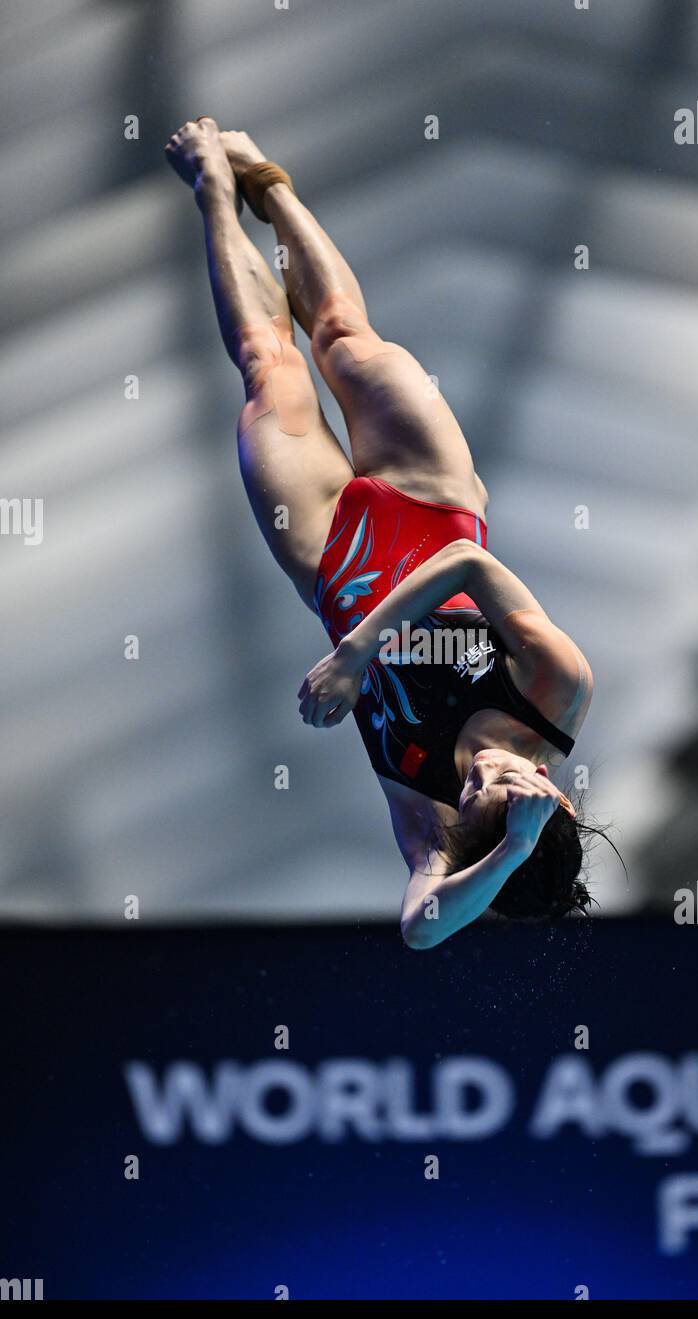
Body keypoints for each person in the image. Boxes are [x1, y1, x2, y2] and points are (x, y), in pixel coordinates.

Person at [165, 117, 595, 949]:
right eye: (504, 787)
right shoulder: (556, 692)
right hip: (429, 506)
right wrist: (358, 654)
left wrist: (505, 854)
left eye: (474, 799)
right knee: (341, 339)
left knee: (267, 361)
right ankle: (266, 179)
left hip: (332, 556)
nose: (477, 781)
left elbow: (420, 932)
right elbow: (469, 560)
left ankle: (214, 194)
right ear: (553, 791)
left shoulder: (432, 821)